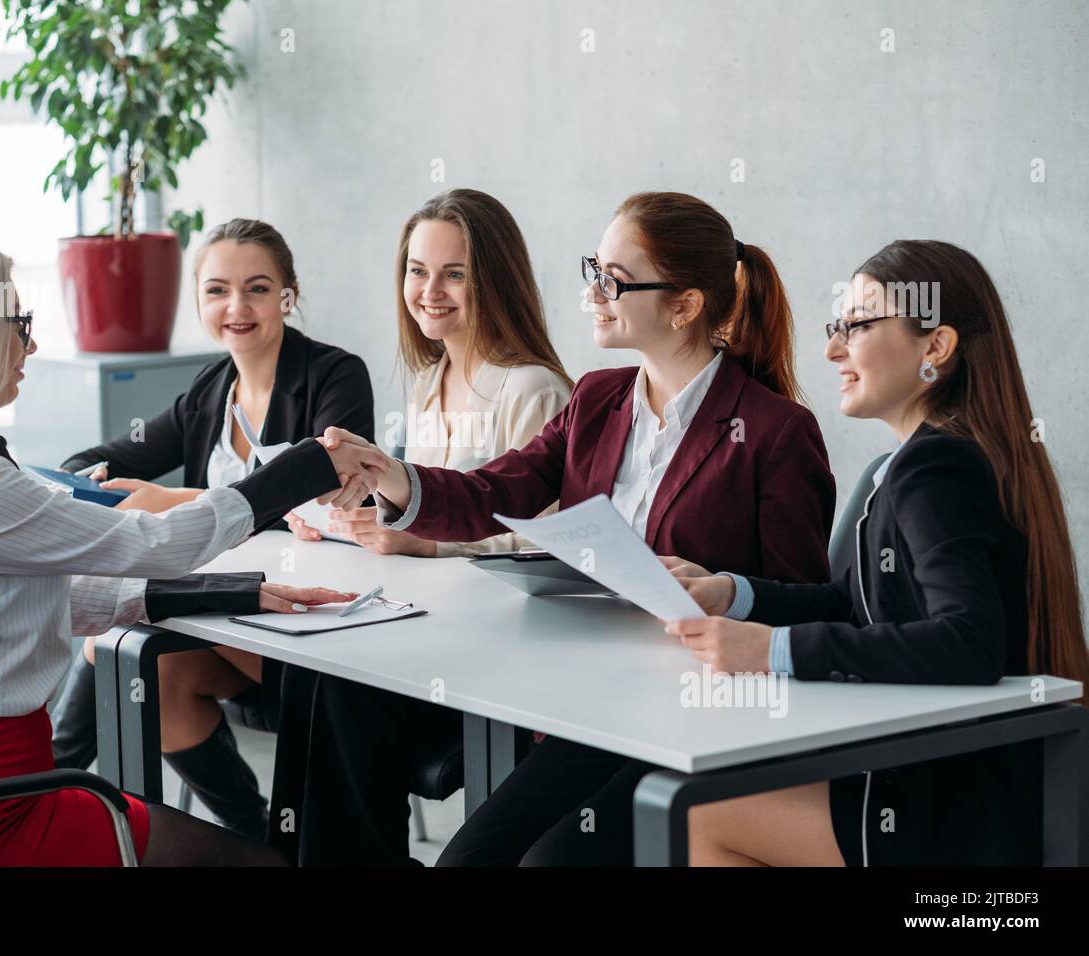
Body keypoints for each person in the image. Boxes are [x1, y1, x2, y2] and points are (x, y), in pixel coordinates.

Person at [0, 233, 388, 865]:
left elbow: (38, 600)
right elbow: (160, 545)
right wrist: (301, 470)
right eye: (20, 324)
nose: (32, 345)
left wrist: (230, 589)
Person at [317, 190, 837, 864]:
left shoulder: (775, 431)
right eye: (594, 269)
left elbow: (807, 603)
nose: (592, 293)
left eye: (614, 280)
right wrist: (389, 473)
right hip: (590, 703)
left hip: (697, 717)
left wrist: (726, 591)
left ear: (684, 306)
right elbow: (491, 492)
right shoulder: (597, 398)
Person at [661, 240, 1089, 866]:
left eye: (857, 326)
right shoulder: (934, 459)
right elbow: (859, 604)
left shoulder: (933, 467)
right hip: (961, 785)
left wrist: (772, 651)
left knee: (690, 809)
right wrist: (734, 593)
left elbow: (969, 641)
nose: (833, 350)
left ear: (934, 348)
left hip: (946, 807)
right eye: (837, 328)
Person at [47, 218, 375, 839]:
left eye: (258, 289)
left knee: (115, 634)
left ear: (288, 294)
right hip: (231, 611)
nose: (236, 308)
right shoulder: (210, 390)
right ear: (198, 300)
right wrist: (91, 479)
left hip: (311, 625)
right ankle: (257, 838)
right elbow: (96, 459)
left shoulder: (335, 376)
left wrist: (175, 499)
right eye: (217, 290)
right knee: (153, 672)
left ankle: (40, 790)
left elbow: (326, 494)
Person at [288, 189, 572, 556]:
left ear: (496, 282)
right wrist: (333, 519)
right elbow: (419, 508)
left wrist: (432, 544)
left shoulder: (535, 391)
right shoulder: (428, 381)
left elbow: (552, 542)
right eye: (418, 271)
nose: (431, 291)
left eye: (454, 274)